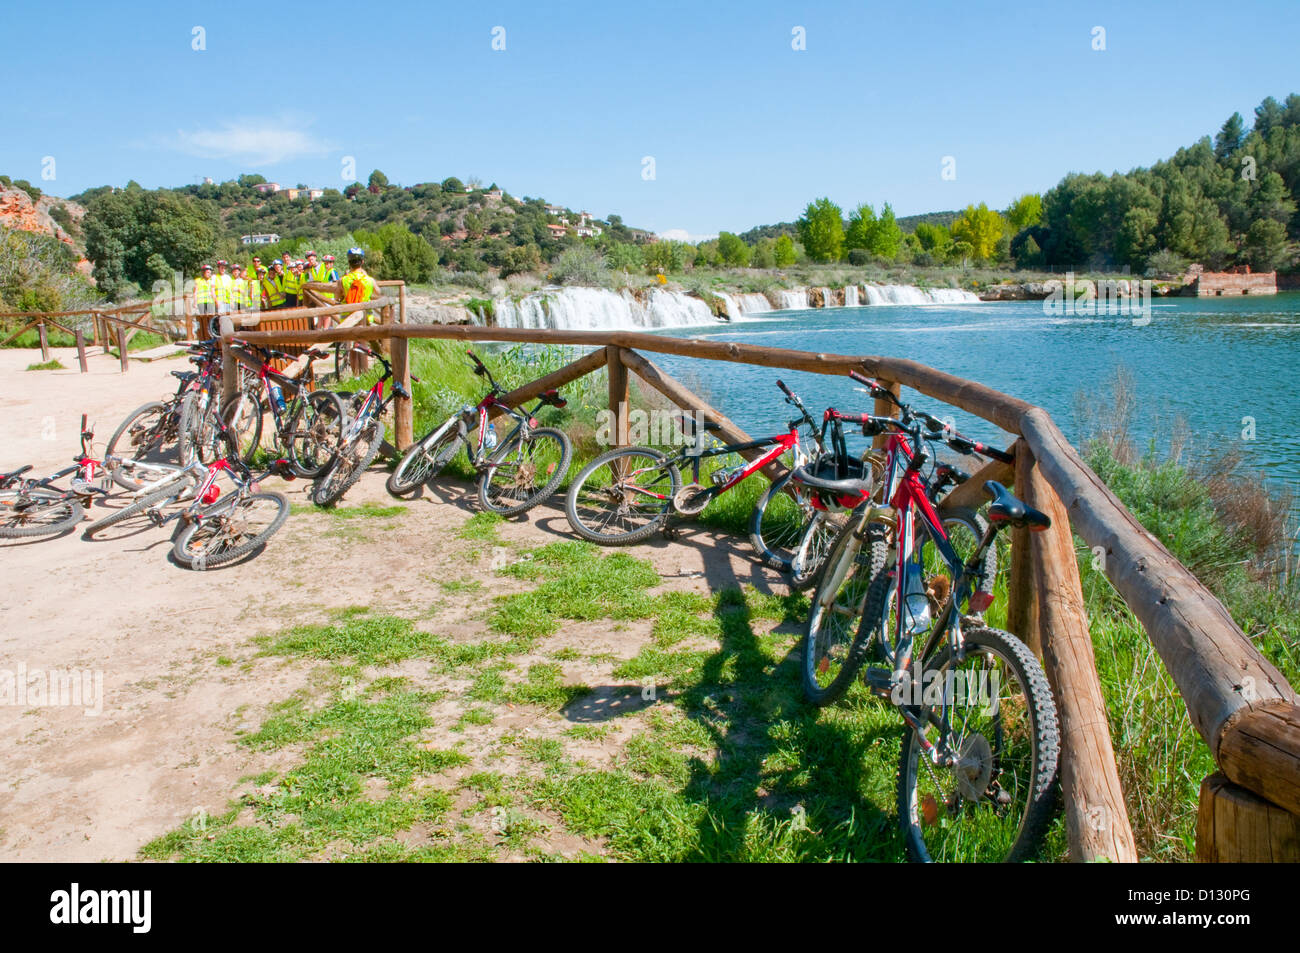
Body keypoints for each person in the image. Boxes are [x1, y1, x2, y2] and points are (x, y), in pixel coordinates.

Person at [338, 247, 379, 326]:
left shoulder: (342, 280)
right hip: (366, 319)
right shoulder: (370, 280)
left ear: (349, 262)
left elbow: (337, 297)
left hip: (347, 321)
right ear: (362, 262)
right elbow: (378, 294)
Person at [194, 264, 217, 336]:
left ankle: (211, 333)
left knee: (211, 318)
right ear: (203, 272)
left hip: (210, 302)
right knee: (203, 319)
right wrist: (194, 302)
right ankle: (204, 334)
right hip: (201, 302)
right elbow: (195, 292)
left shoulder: (212, 281)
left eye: (210, 272)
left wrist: (216, 301)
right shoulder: (198, 280)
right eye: (207, 272)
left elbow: (213, 292)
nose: (209, 274)